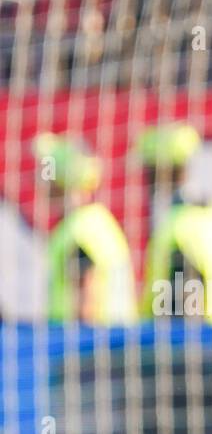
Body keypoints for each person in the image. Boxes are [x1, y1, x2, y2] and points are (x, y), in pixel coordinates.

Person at [137, 123, 212, 327]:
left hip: (190, 349)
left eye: (150, 167)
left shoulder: (180, 226)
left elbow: (188, 301)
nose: (146, 176)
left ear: (165, 168)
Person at [34, 133, 136, 325]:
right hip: (111, 345)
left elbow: (87, 304)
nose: (43, 183)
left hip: (88, 349)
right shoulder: (97, 223)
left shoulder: (80, 233)